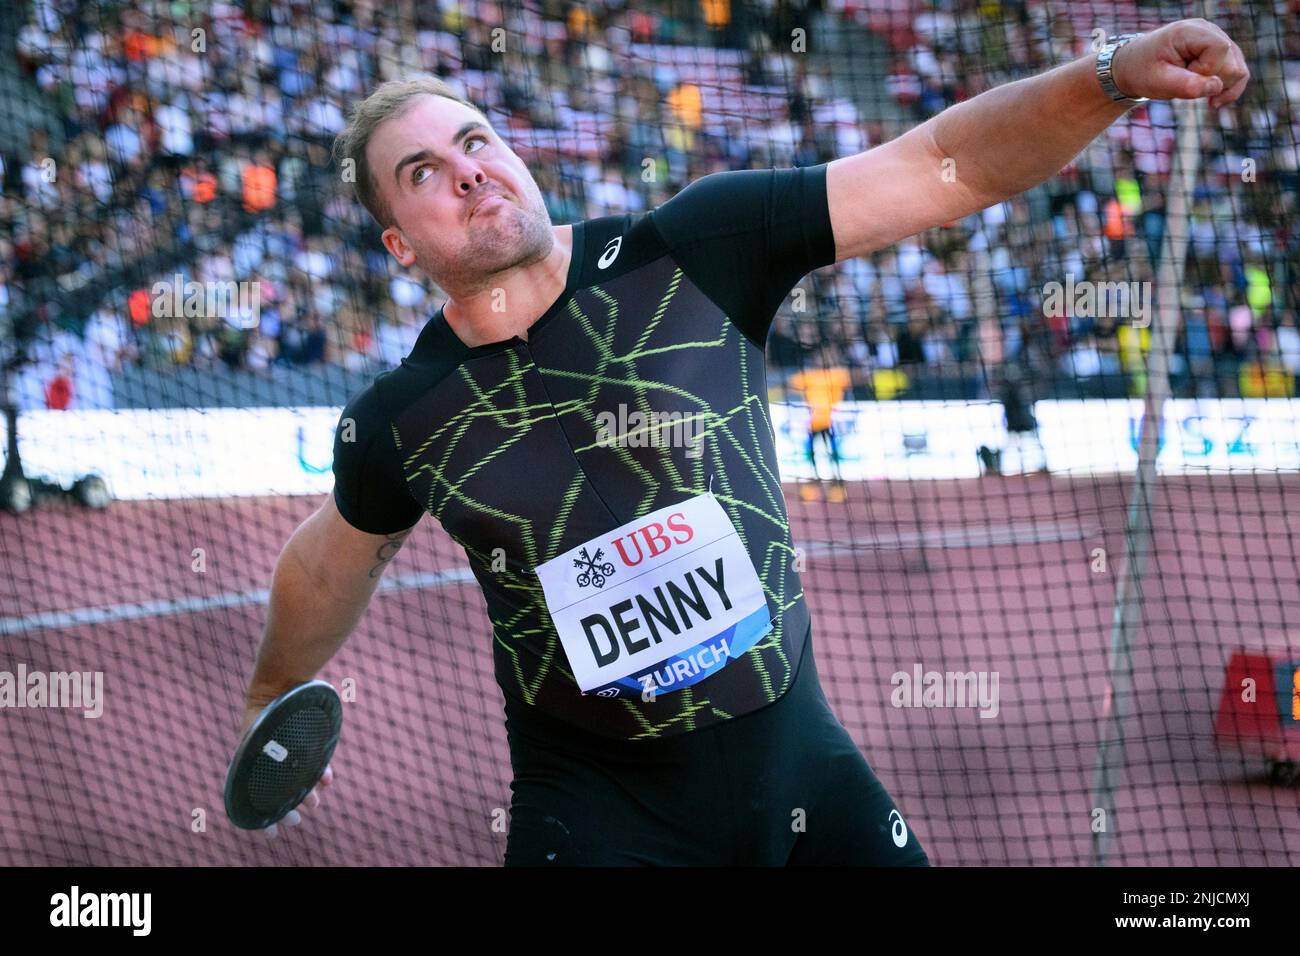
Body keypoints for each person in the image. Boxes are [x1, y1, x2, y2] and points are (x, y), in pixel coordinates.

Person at [236, 20, 1249, 864]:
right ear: (398, 244)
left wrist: (1109, 73)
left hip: (801, 770)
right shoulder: (403, 418)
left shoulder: (694, 248)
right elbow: (327, 565)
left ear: (515, 153)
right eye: (423, 172)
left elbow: (943, 165)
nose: (468, 173)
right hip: (594, 815)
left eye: (475, 140)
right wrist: (275, 692)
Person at [788, 342, 850, 502]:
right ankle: (812, 487)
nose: (822, 359)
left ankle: (837, 487)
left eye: (826, 356)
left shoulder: (837, 375)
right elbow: (791, 385)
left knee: (833, 454)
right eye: (820, 356)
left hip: (831, 423)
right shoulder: (808, 376)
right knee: (811, 455)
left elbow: (854, 378)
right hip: (812, 423)